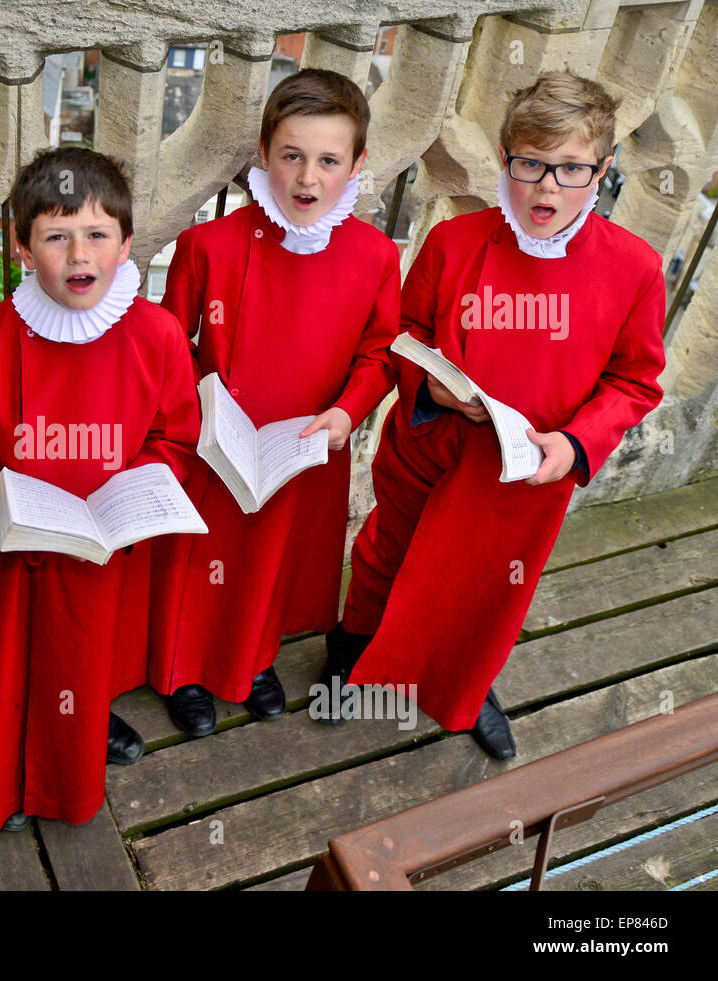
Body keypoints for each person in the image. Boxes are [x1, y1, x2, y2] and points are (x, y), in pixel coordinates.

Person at [321, 71, 666, 758]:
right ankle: (352, 651)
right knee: (389, 553)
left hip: (528, 472)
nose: (546, 187)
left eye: (570, 168)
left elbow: (636, 379)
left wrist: (574, 444)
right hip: (430, 446)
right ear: (505, 158)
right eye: (530, 163)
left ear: (600, 170)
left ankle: (465, 683)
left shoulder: (636, 268)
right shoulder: (454, 242)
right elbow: (405, 333)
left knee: (491, 585)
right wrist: (428, 383)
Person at [0, 147, 201, 840]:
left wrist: (133, 503)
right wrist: (19, 517)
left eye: (98, 234)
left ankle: (71, 757)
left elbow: (175, 439)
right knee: (3, 674)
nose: (80, 254)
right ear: (21, 247)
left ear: (127, 243)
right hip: (12, 558)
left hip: (104, 555)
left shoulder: (159, 336)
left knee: (83, 659)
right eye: (55, 235)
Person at [149, 69, 400, 736]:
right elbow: (170, 341)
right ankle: (186, 671)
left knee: (274, 564)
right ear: (263, 153)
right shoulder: (208, 245)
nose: (307, 179)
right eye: (291, 156)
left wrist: (349, 410)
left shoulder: (375, 257)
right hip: (218, 445)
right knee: (205, 562)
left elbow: (379, 355)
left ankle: (255, 661)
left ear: (357, 165)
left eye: (328, 161)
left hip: (307, 446)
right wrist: (194, 408)